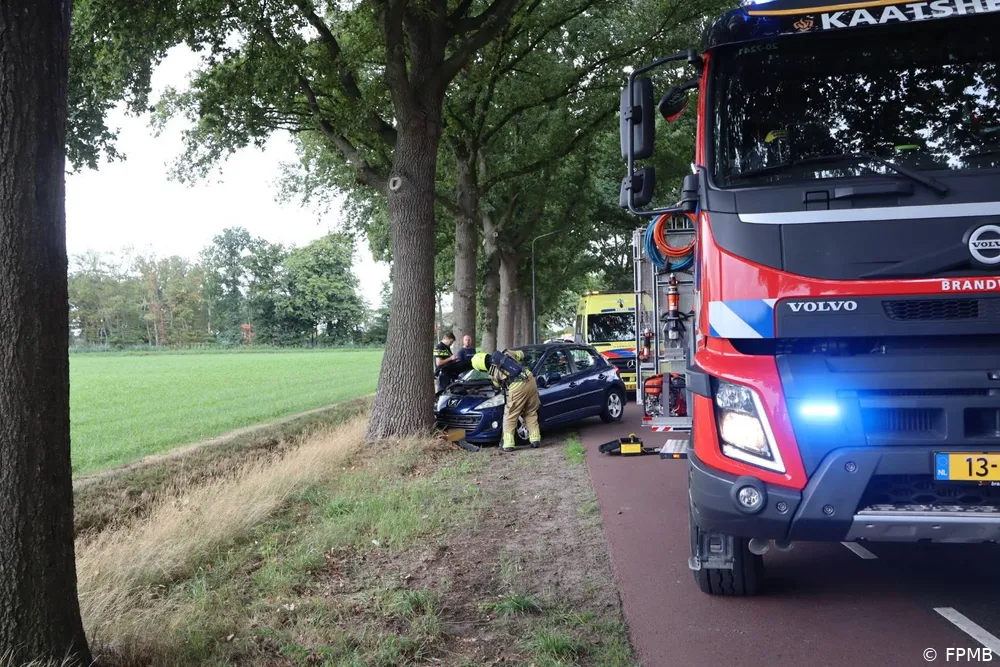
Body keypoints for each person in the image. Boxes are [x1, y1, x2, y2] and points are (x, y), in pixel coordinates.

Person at [471, 349, 541, 452]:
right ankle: (535, 439)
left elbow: (498, 385)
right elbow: (521, 354)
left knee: (510, 415)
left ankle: (508, 444)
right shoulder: (506, 354)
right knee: (530, 411)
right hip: (530, 379)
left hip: (517, 386)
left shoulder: (493, 372)